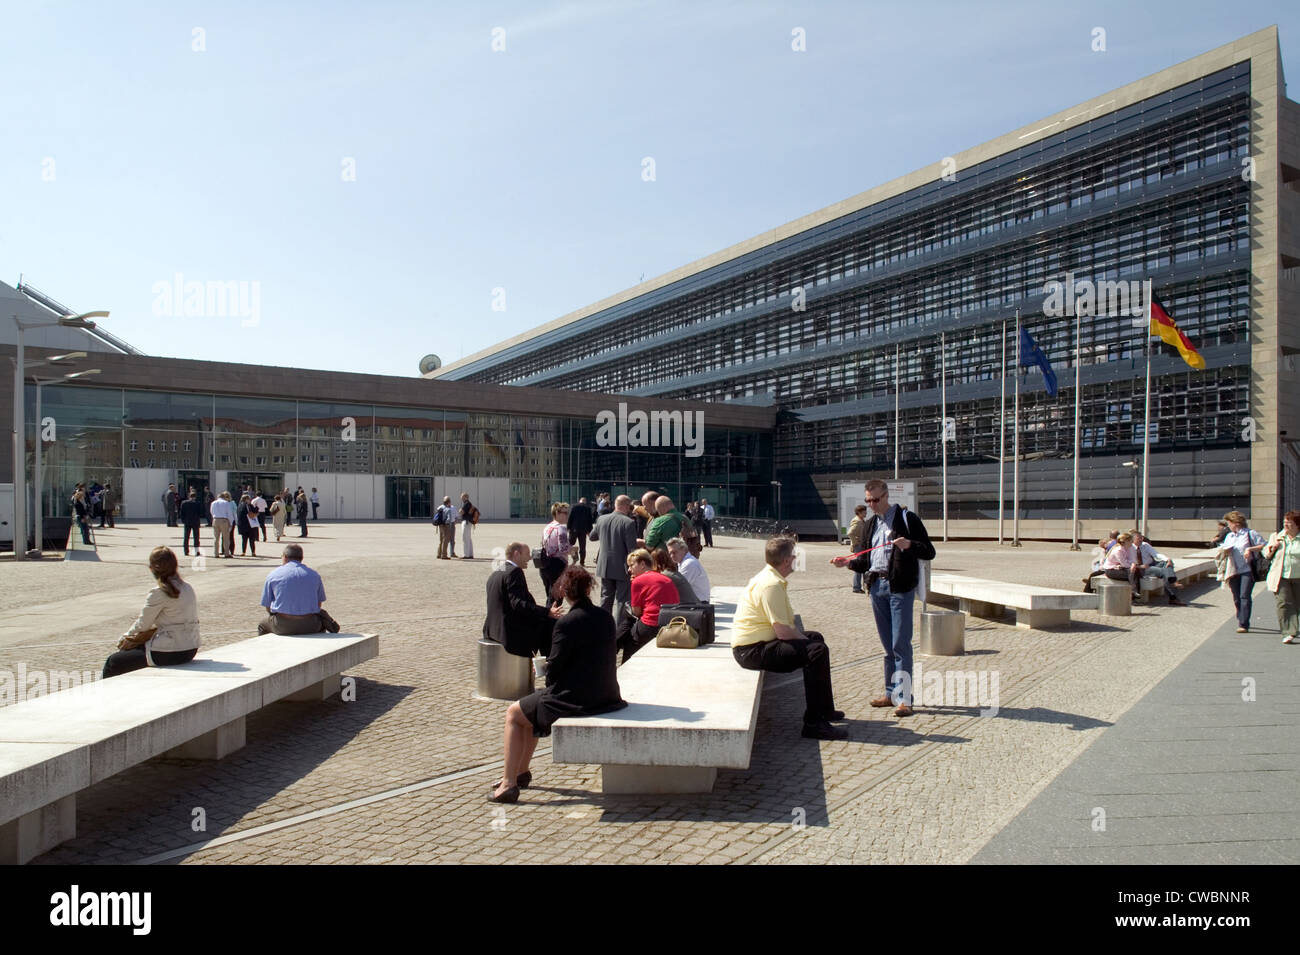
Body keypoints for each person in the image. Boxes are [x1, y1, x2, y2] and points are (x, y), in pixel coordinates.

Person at [490, 565, 626, 803]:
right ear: (587, 589)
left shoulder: (566, 623)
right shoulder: (605, 617)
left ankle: (509, 783)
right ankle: (520, 772)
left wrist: (542, 667)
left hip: (577, 698)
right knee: (529, 711)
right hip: (606, 693)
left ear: (564, 590)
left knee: (513, 713)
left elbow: (555, 669)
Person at [831, 479, 936, 718]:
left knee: (901, 644)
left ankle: (904, 699)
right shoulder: (869, 525)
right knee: (887, 646)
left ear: (886, 496)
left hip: (899, 587)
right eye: (868, 500)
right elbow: (864, 560)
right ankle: (890, 694)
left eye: (875, 500)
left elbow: (929, 551)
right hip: (876, 586)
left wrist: (909, 544)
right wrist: (846, 562)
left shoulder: (907, 519)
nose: (872, 504)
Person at [735, 536, 845, 740]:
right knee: (816, 650)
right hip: (751, 650)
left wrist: (806, 639)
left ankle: (824, 709)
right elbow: (783, 632)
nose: (797, 559)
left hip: (760, 642)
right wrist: (806, 642)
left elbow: (786, 629)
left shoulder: (772, 578)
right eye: (795, 555)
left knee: (815, 638)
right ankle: (813, 724)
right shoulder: (771, 585)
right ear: (786, 561)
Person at [103, 547, 200, 677]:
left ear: (153, 568)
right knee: (129, 657)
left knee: (113, 662)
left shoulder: (159, 592)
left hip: (169, 651)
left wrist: (124, 639)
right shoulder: (187, 587)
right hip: (190, 648)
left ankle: (104, 695)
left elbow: (143, 624)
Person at [483, 542, 563, 657]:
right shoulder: (514, 572)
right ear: (516, 554)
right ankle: (551, 666)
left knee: (544, 621)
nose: (530, 558)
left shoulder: (498, 571)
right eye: (527, 554)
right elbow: (518, 604)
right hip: (509, 631)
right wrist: (548, 612)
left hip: (492, 629)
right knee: (549, 625)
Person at [257, 544, 340, 634]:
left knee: (262, 625)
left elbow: (267, 605)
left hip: (283, 625)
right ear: (301, 558)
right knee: (321, 623)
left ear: (284, 557)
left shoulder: (273, 575)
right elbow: (319, 604)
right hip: (310, 624)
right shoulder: (314, 575)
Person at [620, 548, 678, 663]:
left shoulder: (638, 581)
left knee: (628, 637)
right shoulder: (665, 578)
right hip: (670, 624)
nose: (629, 570)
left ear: (642, 564)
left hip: (651, 624)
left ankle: (625, 665)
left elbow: (636, 612)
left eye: (631, 565)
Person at [590, 493, 639, 621]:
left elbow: (592, 536)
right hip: (622, 568)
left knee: (605, 599)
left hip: (605, 566)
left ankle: (602, 626)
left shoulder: (601, 519)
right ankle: (619, 632)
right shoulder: (628, 522)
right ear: (626, 506)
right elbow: (632, 550)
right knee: (622, 601)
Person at [1218, 511, 1267, 633]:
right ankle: (1241, 616)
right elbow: (1224, 548)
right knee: (1236, 597)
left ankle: (1244, 623)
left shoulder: (1250, 533)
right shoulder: (1229, 536)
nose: (1228, 525)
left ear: (1236, 523)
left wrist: (1250, 549)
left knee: (1244, 595)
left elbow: (1264, 545)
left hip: (1247, 569)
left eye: (1229, 523)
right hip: (1233, 570)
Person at [1264, 511, 1300, 644]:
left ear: (1297, 524)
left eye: (1289, 522)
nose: (1285, 524)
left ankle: (1294, 626)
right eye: (1284, 522)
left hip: (1298, 577)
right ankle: (1288, 632)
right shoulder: (1277, 537)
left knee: (1297, 604)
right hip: (1281, 576)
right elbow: (1266, 554)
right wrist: (1272, 548)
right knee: (1284, 603)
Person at [1132, 530, 1183, 605]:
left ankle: (1173, 582)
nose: (1140, 540)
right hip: (1142, 568)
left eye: (1141, 538)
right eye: (1138, 538)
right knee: (1164, 572)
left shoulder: (1145, 545)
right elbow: (1128, 562)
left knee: (1167, 563)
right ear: (1133, 540)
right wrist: (1139, 566)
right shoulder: (1130, 548)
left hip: (1151, 564)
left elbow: (1156, 554)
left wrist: (1167, 559)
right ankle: (1173, 594)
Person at [540, 502, 572, 598]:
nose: (567, 516)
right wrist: (572, 549)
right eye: (565, 513)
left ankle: (548, 612)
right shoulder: (561, 528)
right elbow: (563, 549)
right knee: (556, 597)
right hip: (557, 564)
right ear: (557, 513)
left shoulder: (547, 527)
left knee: (549, 595)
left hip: (545, 564)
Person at [668, 536, 710, 603]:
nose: (672, 556)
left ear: (684, 550)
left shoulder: (689, 564)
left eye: (674, 552)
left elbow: (679, 587)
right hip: (694, 602)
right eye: (670, 553)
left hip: (699, 605)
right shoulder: (683, 562)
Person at [567, 496, 594, 566]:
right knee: (582, 546)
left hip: (574, 529)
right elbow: (590, 520)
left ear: (579, 501)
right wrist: (589, 531)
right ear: (585, 501)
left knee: (570, 544)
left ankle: (574, 556)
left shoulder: (574, 507)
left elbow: (570, 517)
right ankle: (582, 562)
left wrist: (568, 527)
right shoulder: (588, 508)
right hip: (583, 530)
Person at [847, 503, 868, 593]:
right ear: (859, 513)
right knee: (859, 567)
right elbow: (850, 533)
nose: (865, 514)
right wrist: (856, 543)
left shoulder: (861, 520)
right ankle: (856, 587)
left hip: (862, 546)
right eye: (864, 512)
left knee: (863, 566)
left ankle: (863, 586)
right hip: (859, 547)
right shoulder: (857, 521)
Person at [179, 489, 204, 556]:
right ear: (195, 497)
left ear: (189, 496)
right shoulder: (197, 503)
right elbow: (200, 513)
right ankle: (196, 551)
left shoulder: (184, 503)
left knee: (186, 537)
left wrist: (183, 520)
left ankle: (186, 551)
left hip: (187, 522)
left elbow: (181, 513)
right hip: (195, 522)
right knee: (196, 537)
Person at [210, 491, 234, 558]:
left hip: (215, 519)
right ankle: (226, 553)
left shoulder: (213, 503)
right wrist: (231, 523)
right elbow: (229, 514)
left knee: (216, 538)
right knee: (226, 538)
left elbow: (211, 512)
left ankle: (216, 553)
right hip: (224, 520)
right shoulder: (226, 503)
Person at [459, 492, 477, 560]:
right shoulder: (469, 504)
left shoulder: (467, 504)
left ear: (466, 497)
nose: (461, 498)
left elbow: (461, 512)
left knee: (465, 538)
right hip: (469, 523)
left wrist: (460, 510)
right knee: (468, 538)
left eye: (462, 497)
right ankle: (470, 554)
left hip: (466, 522)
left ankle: (466, 555)